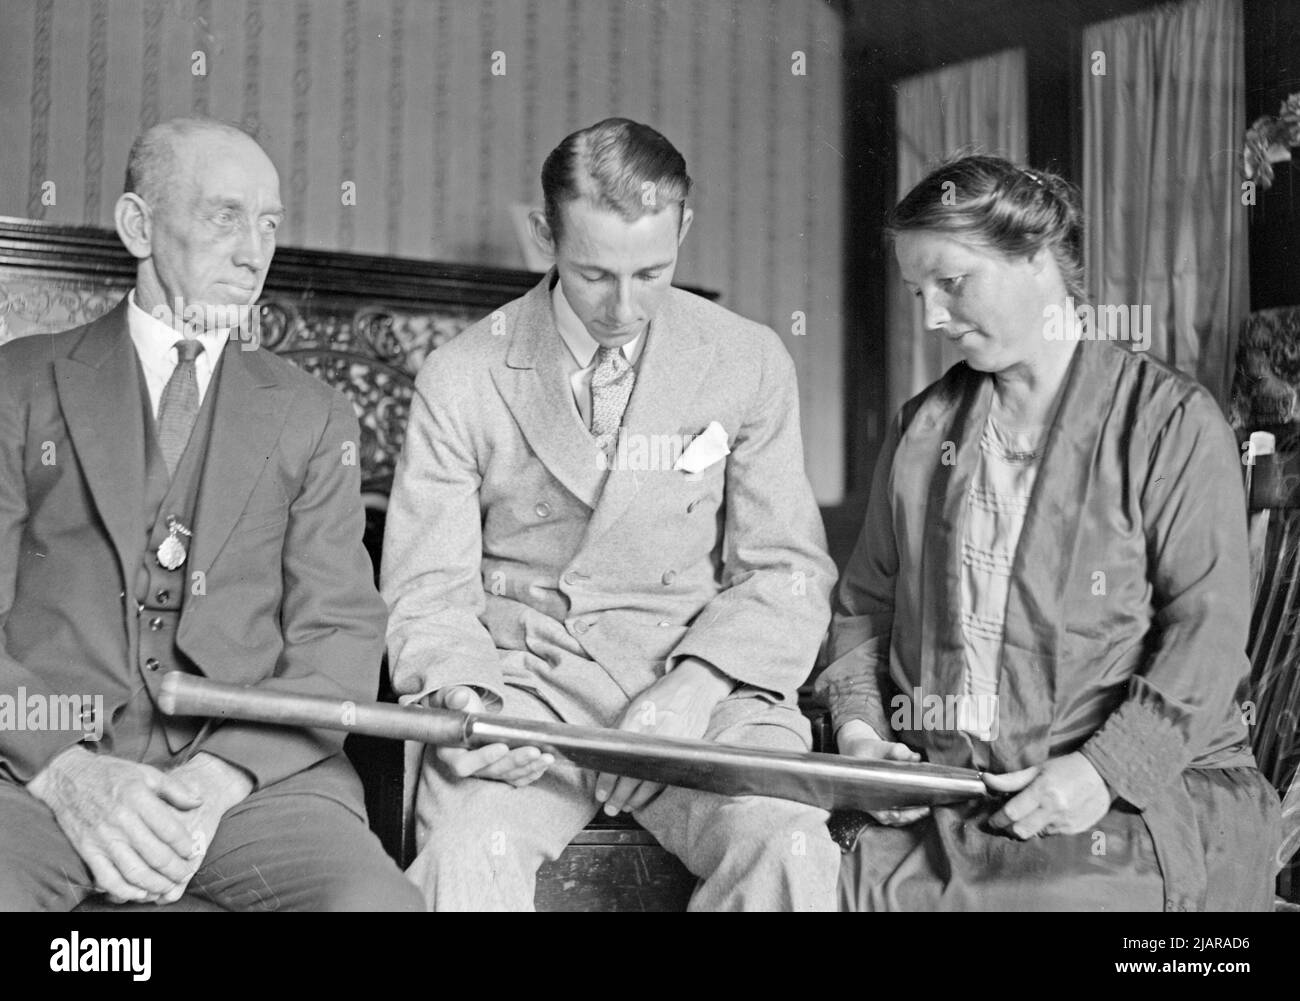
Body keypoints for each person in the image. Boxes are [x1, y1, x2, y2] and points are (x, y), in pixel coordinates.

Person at [382, 118, 841, 911]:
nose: (623, 306)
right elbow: (428, 591)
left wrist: (696, 686)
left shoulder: (750, 358)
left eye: (652, 272)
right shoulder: (462, 374)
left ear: (684, 230)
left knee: (790, 846)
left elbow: (788, 572)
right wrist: (470, 704)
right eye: (594, 274)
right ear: (543, 235)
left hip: (701, 694)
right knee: (462, 858)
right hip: (530, 699)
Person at [819, 154, 1281, 911]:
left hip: (1128, 800)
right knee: (800, 869)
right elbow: (866, 605)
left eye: (953, 283)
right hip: (945, 803)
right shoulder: (922, 429)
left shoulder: (1166, 423)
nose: (932, 315)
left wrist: (1103, 771)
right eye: (917, 292)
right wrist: (864, 737)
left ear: (1036, 259)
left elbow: (1209, 628)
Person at [0, 117, 424, 912]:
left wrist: (219, 777)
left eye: (268, 224)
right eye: (225, 216)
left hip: (254, 784)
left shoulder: (313, 413)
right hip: (34, 770)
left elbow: (339, 634)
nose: (254, 249)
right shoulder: (18, 383)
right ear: (138, 225)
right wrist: (65, 768)